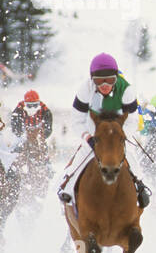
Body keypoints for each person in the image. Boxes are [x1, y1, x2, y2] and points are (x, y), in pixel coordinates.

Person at [57, 53, 151, 208]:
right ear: (92, 79)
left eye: (110, 80)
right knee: (82, 156)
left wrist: (120, 137)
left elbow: (132, 120)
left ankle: (140, 186)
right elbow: (77, 120)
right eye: (99, 81)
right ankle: (67, 186)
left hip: (119, 132)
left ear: (116, 78)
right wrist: (88, 138)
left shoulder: (126, 90)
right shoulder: (85, 89)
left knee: (130, 156)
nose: (105, 85)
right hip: (93, 131)